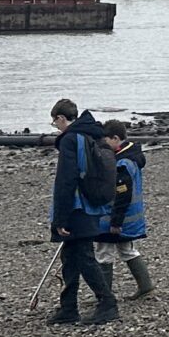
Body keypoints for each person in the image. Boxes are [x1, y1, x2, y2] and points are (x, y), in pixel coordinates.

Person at [47, 97, 120, 325]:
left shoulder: (71, 139)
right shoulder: (92, 135)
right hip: (92, 203)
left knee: (84, 257)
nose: (55, 127)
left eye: (54, 123)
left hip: (77, 207)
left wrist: (59, 217)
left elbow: (65, 180)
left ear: (61, 118)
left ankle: (107, 303)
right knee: (70, 256)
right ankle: (68, 307)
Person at [101, 119, 153, 298]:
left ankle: (104, 295)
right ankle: (145, 286)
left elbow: (122, 196)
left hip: (116, 218)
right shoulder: (133, 157)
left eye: (105, 140)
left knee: (104, 253)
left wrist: (115, 221)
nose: (103, 145)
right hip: (130, 217)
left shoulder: (122, 164)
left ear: (115, 138)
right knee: (126, 250)